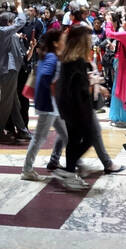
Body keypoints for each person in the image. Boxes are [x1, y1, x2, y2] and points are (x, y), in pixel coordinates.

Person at [21, 29, 72, 185]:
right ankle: (27, 170)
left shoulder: (50, 56)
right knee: (39, 138)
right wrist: (47, 99)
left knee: (66, 135)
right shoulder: (51, 57)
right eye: (63, 39)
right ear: (56, 43)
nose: (65, 42)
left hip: (52, 105)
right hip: (49, 105)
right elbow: (44, 78)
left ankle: (69, 165)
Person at [54, 24, 99, 188]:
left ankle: (70, 171)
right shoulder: (76, 61)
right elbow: (77, 89)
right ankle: (68, 170)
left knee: (73, 141)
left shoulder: (68, 58)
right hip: (77, 108)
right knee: (89, 138)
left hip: (68, 107)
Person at [0, 0, 29, 143]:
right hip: (7, 72)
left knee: (14, 103)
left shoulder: (4, 33)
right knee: (6, 103)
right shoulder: (2, 33)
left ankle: (23, 131)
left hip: (9, 71)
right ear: (9, 23)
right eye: (13, 23)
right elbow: (21, 22)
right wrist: (19, 7)